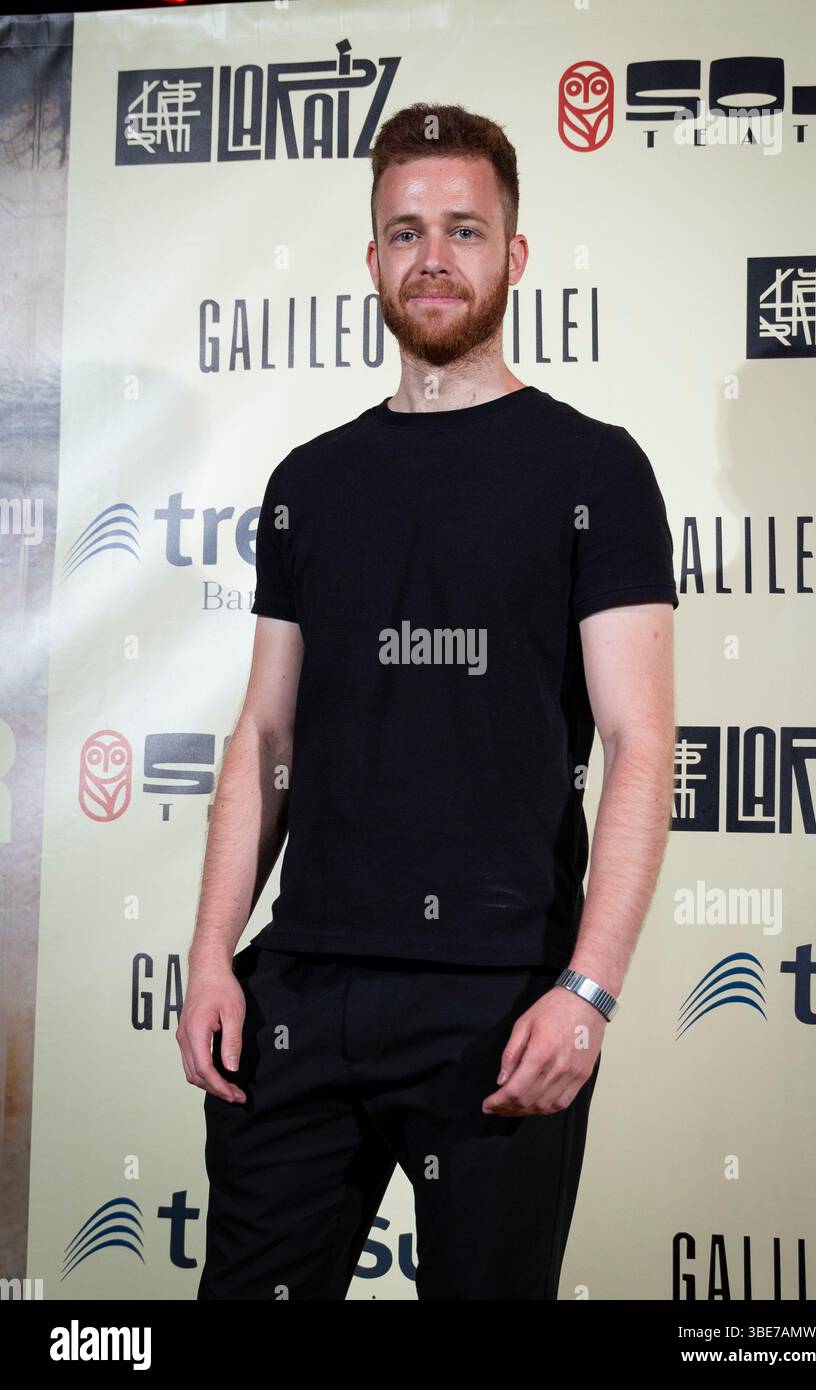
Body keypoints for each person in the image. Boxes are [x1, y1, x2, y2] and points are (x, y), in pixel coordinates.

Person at [179, 102, 679, 1301]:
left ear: (514, 255)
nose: (433, 257)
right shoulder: (309, 481)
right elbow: (265, 734)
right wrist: (209, 953)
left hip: (502, 1000)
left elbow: (638, 740)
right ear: (372, 259)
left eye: (463, 229)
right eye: (405, 232)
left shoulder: (593, 470)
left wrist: (587, 989)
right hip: (302, 992)